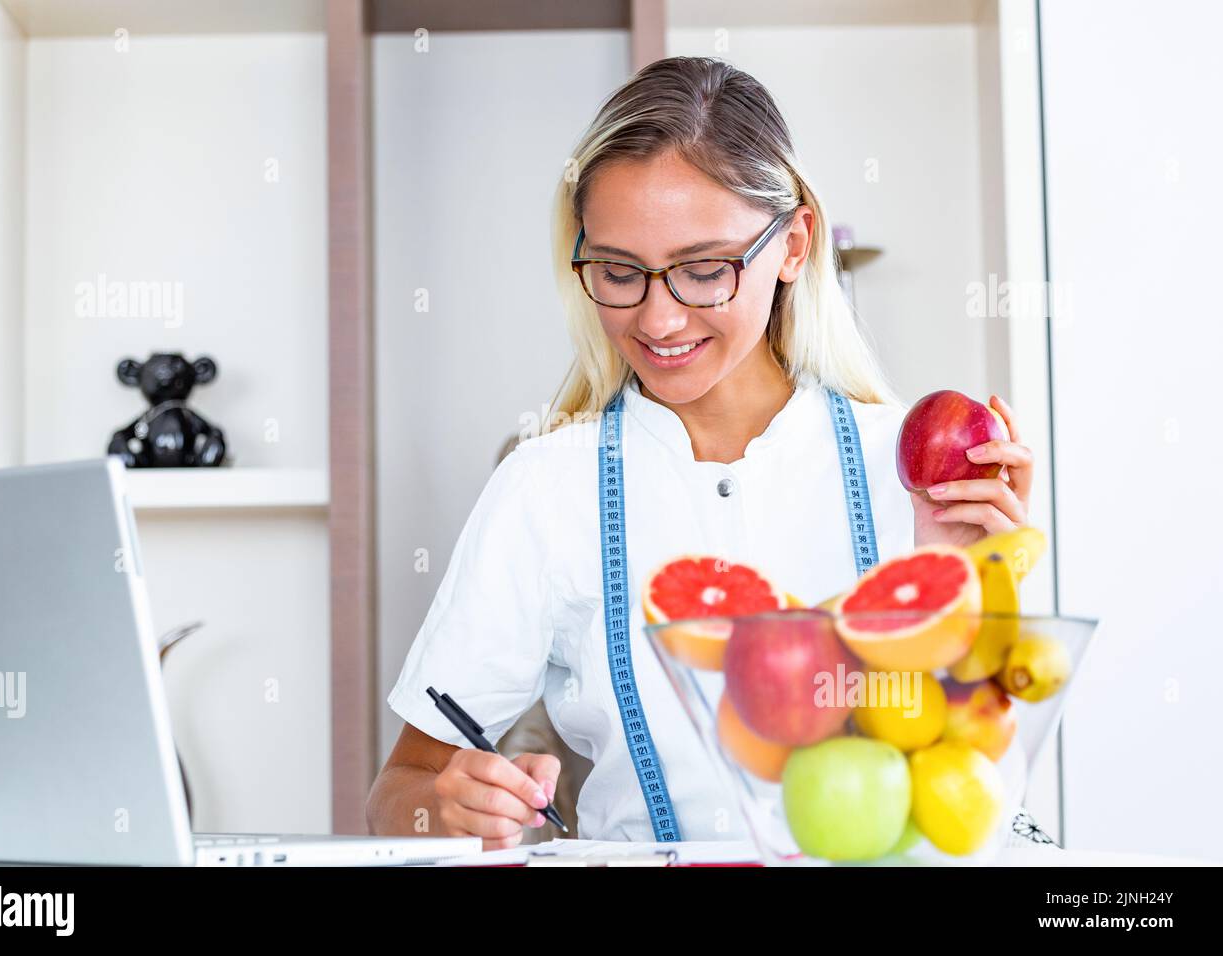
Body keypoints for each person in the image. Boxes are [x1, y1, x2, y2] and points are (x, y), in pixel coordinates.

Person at [367, 56, 1034, 849]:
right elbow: (394, 798)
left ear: (792, 246)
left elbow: (980, 804)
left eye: (704, 270)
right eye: (618, 272)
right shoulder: (546, 487)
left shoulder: (914, 478)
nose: (657, 319)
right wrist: (446, 809)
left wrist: (965, 592)